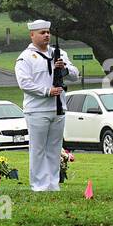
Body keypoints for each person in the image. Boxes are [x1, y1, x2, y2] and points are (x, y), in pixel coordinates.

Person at [15, 20, 79, 192]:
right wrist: (46, 91)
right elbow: (24, 83)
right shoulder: (26, 57)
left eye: (48, 32)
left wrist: (63, 67)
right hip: (37, 109)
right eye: (42, 33)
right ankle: (39, 185)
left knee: (54, 148)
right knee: (38, 148)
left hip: (58, 107)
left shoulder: (60, 54)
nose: (46, 35)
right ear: (32, 35)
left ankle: (52, 183)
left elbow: (75, 75)